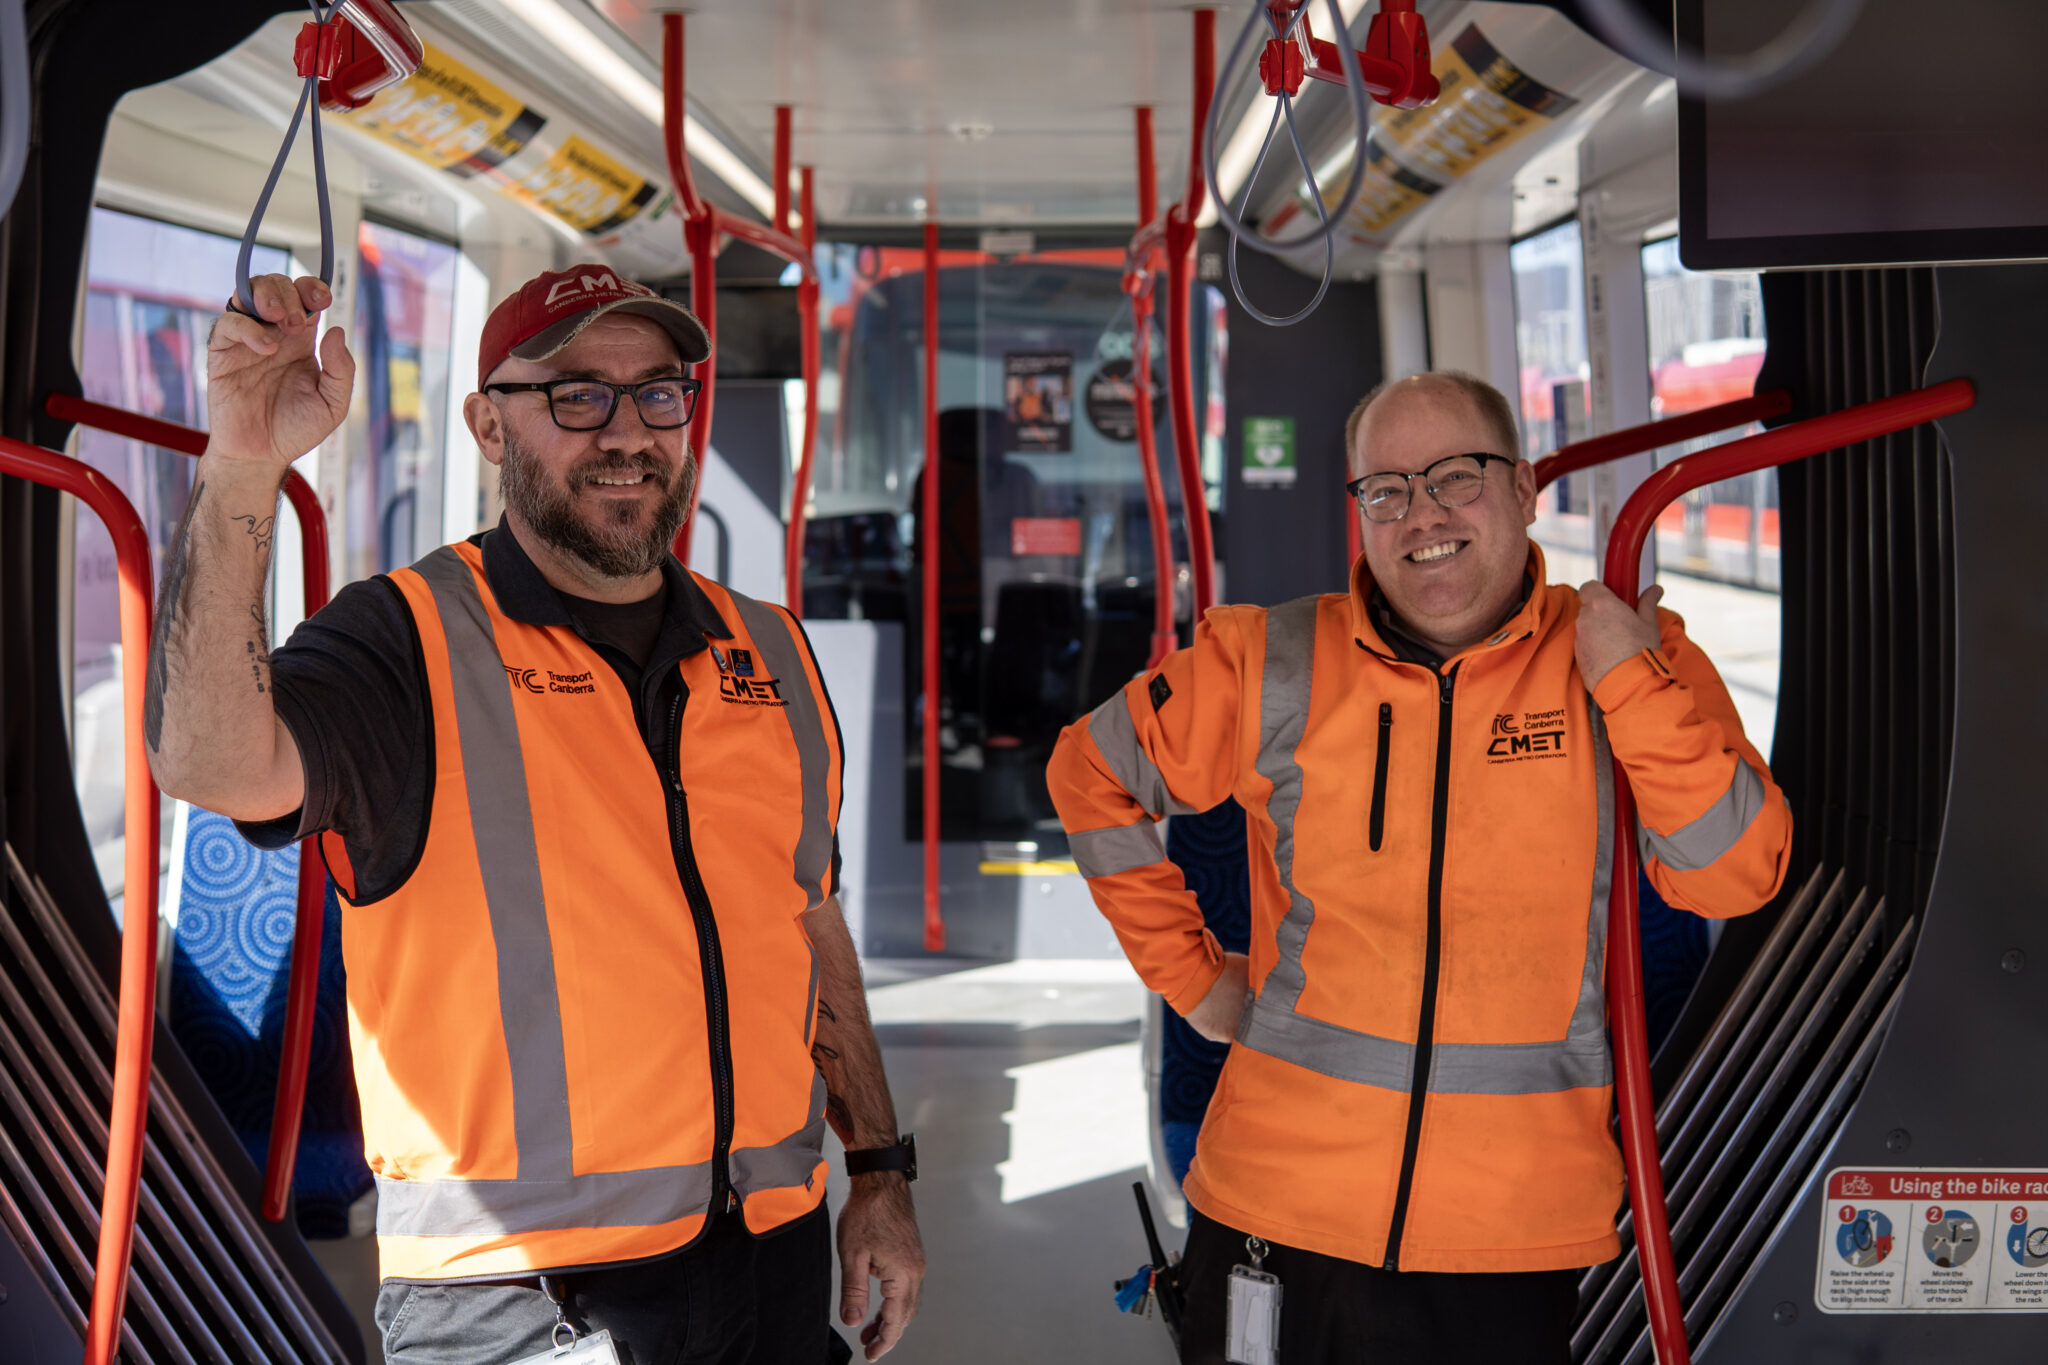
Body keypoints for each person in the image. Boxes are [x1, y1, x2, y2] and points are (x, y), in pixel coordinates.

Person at [145, 267, 925, 1363]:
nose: (627, 432)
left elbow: (807, 919)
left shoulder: (774, 654)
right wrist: (243, 462)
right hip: (516, 1293)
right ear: (488, 427)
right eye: (575, 396)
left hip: (766, 1256)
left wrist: (879, 1171)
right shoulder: (406, 642)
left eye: (658, 393)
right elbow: (209, 762)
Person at [1047, 371, 1790, 1363]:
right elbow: (1088, 772)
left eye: (1453, 477)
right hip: (1275, 1209)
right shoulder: (1272, 661)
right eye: (1384, 489)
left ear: (1526, 491)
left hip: (1509, 1234)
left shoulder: (1624, 664)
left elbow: (1733, 876)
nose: (1420, 515)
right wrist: (1189, 978)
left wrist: (1626, 677)